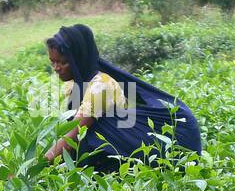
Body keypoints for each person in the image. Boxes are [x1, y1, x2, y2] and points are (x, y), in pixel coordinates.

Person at [44, 23, 201, 173]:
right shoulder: (76, 85)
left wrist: (37, 166)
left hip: (128, 154)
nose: (56, 68)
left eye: (63, 62)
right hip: (111, 154)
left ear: (78, 59)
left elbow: (71, 137)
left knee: (84, 129)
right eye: (53, 62)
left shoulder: (100, 86)